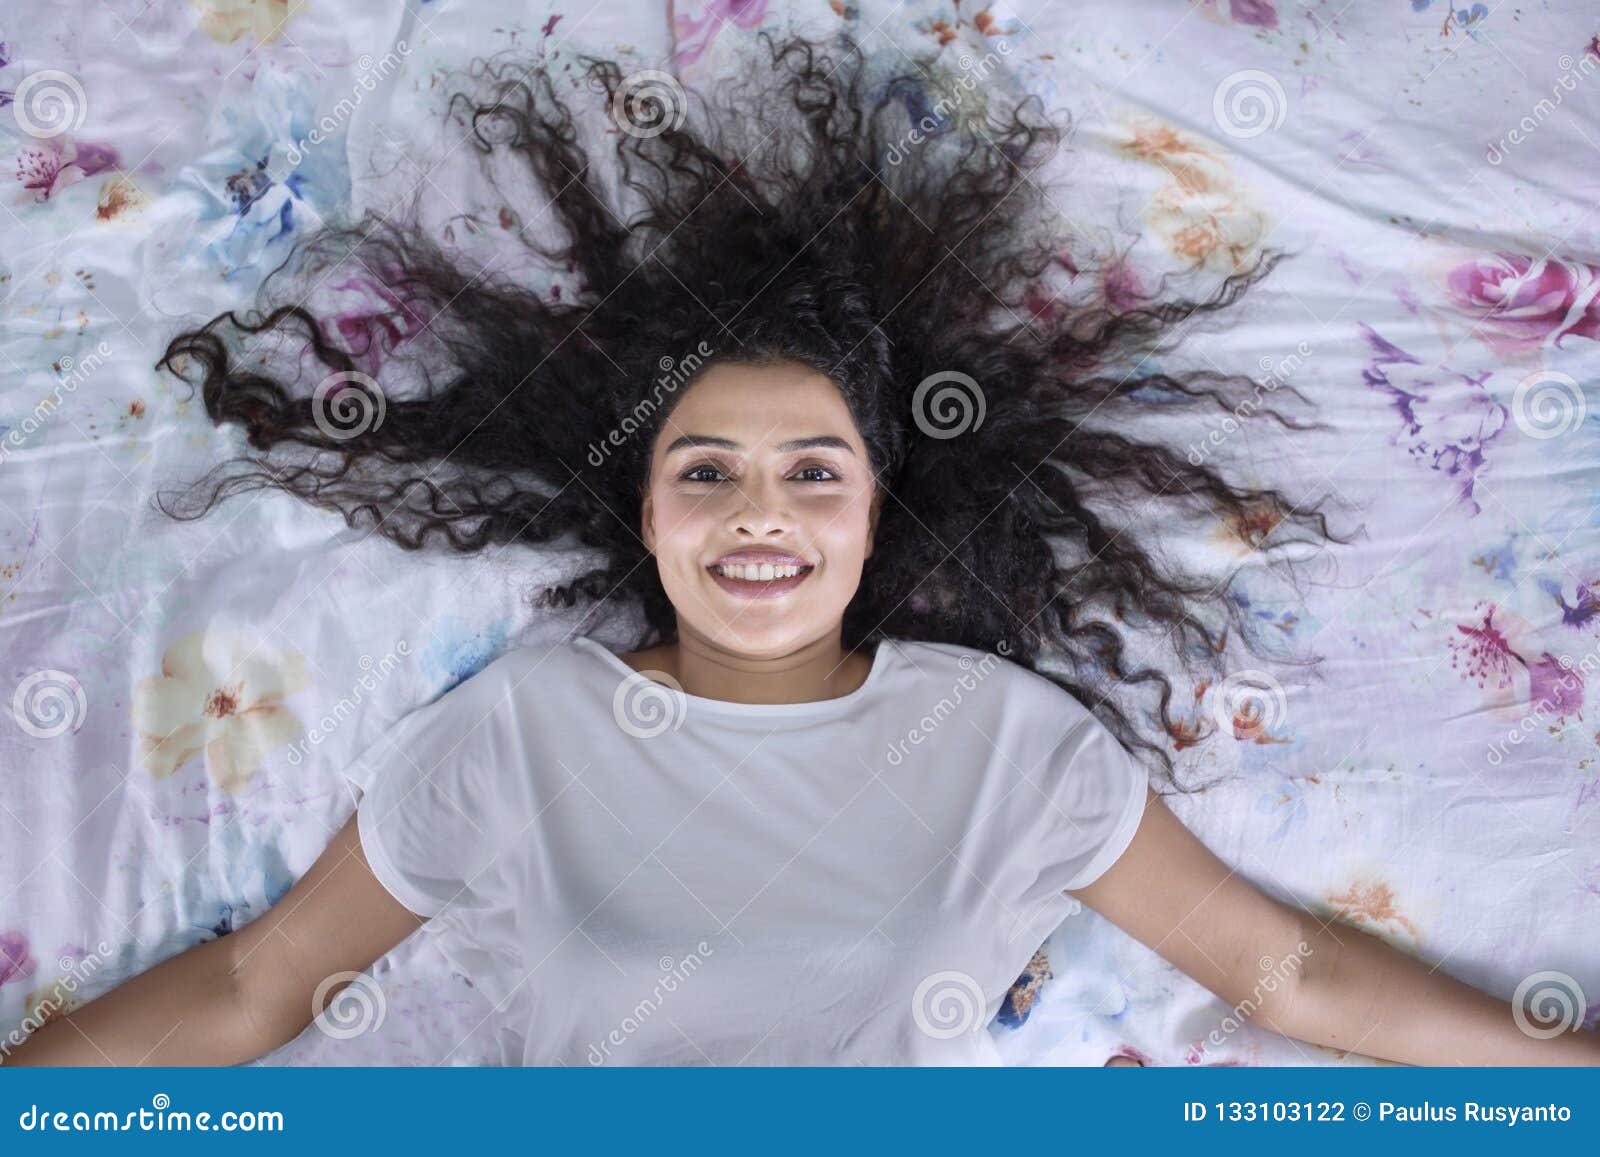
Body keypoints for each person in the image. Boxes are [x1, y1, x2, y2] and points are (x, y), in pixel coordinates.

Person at [9, 33, 1596, 1067]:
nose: (758, 512)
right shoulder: (517, 731)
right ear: (644, 515)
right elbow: (250, 989)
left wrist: (1565, 1078)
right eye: (707, 471)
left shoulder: (1005, 745)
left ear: (876, 511)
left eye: (809, 471)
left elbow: (1291, 981)